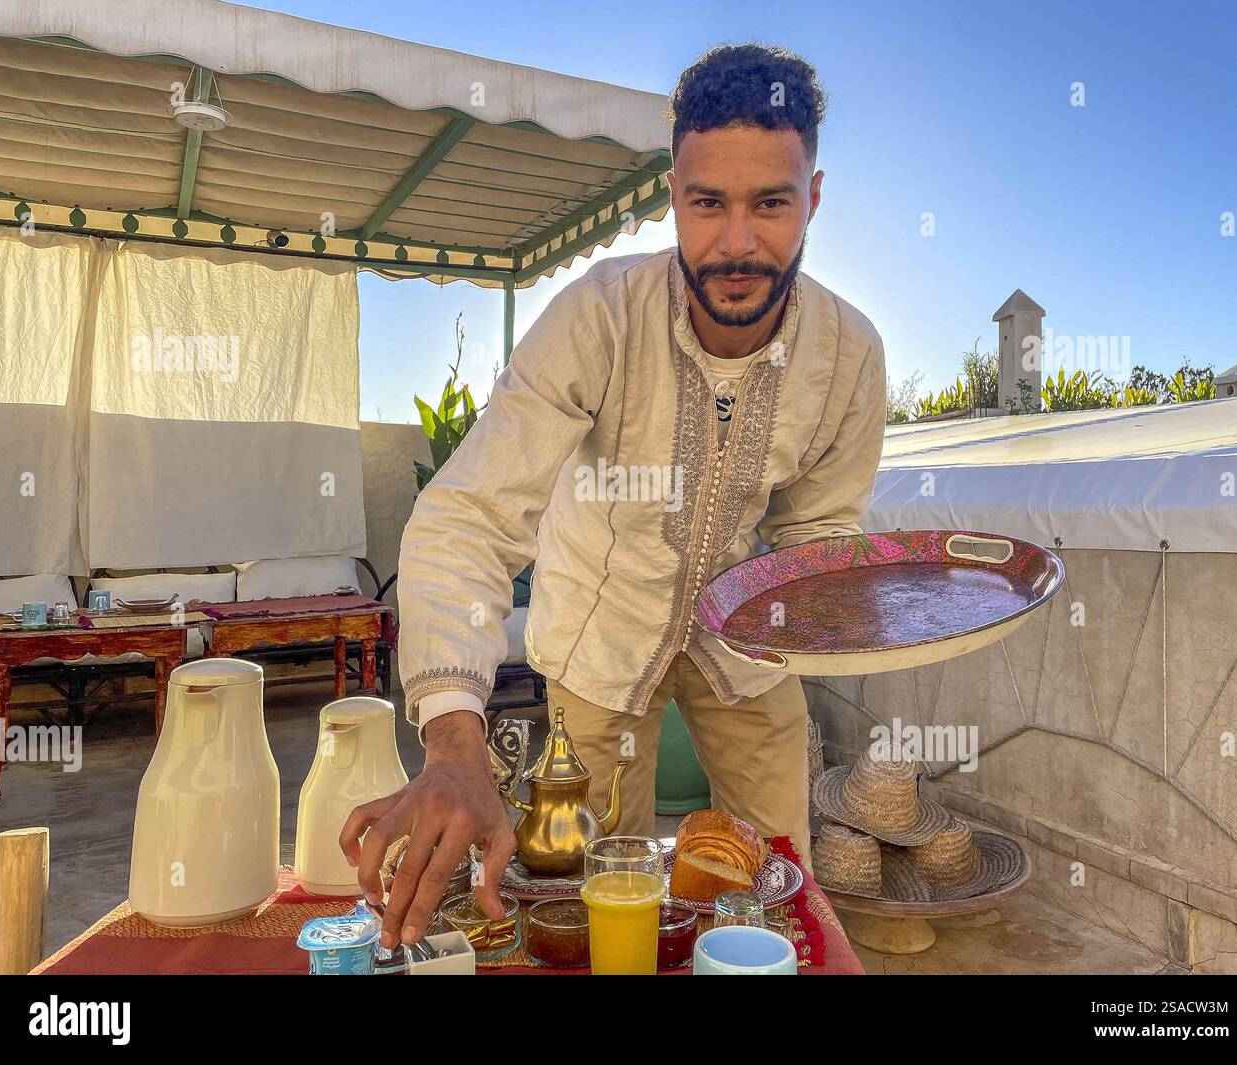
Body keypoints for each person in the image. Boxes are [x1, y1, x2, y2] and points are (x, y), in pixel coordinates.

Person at [341, 42, 887, 952]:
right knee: (588, 891)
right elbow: (468, 516)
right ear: (673, 193)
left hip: (746, 649)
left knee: (776, 880)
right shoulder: (599, 316)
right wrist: (453, 745)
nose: (739, 242)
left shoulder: (849, 354)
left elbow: (821, 528)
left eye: (772, 203)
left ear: (814, 199)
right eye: (709, 202)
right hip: (600, 639)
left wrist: (834, 599)